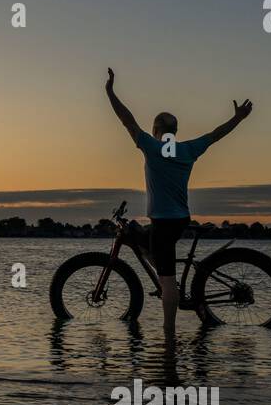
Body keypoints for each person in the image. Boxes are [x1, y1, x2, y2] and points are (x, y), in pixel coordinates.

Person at [105, 67, 252, 336]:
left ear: (156, 129)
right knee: (141, 237)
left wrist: (110, 92)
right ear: (176, 130)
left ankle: (169, 336)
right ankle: (170, 286)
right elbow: (217, 134)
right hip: (179, 218)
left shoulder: (152, 146)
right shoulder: (188, 149)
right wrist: (238, 119)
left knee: (168, 280)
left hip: (164, 223)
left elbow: (127, 120)